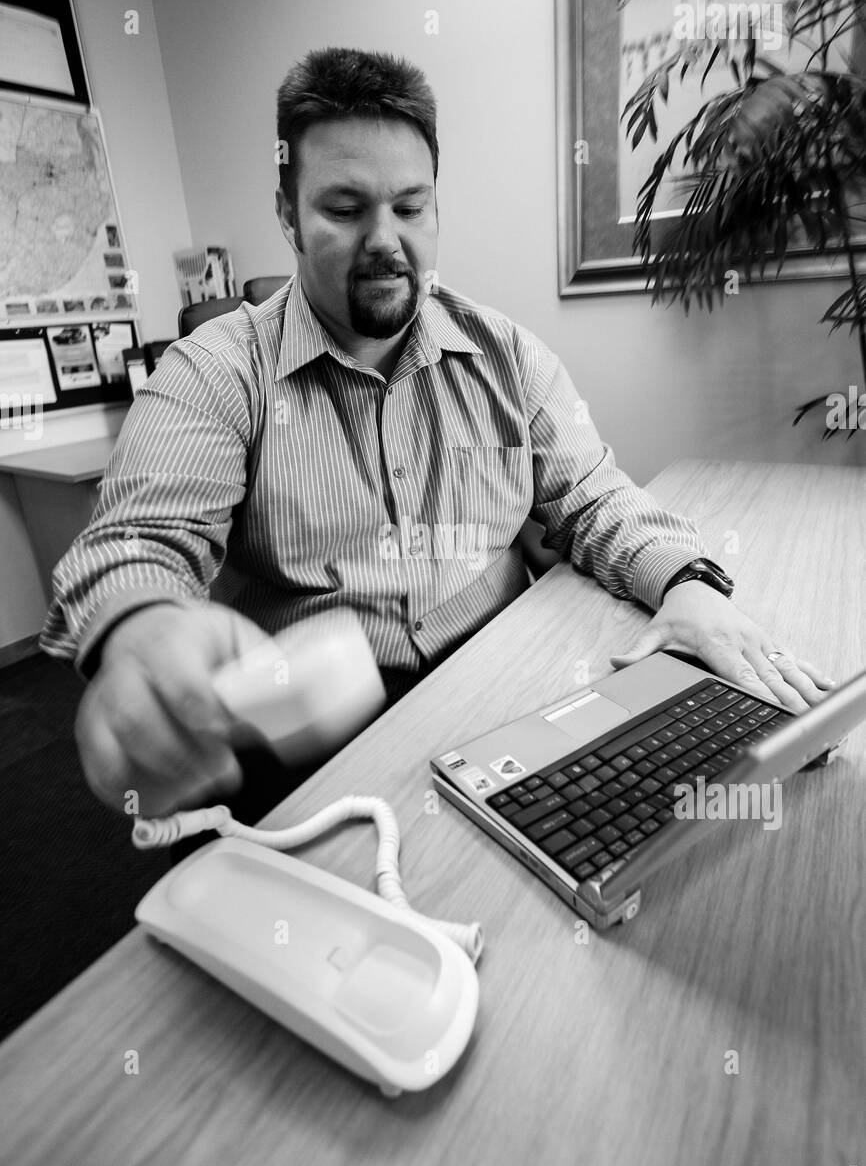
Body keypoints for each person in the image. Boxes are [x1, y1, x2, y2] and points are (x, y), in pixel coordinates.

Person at [40, 46, 833, 825]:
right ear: (287, 215)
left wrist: (689, 589)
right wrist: (140, 628)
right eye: (344, 210)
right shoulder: (217, 371)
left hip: (495, 696)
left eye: (410, 208)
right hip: (303, 743)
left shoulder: (507, 355)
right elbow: (137, 541)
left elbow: (593, 498)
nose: (385, 241)